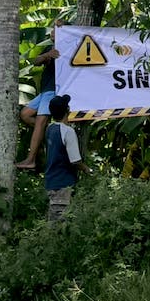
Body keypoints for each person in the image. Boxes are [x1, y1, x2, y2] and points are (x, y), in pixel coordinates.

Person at [16, 18, 65, 170]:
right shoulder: (50, 48)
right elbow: (36, 61)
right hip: (44, 90)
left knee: (39, 122)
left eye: (56, 29)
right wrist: (48, 55)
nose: (52, 32)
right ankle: (49, 133)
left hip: (53, 90)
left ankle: (31, 160)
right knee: (25, 114)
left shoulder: (68, 48)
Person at [43, 94, 90, 222]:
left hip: (51, 181)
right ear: (67, 110)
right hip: (63, 183)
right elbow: (75, 160)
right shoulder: (68, 131)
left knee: (56, 218)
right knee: (59, 222)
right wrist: (87, 169)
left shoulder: (49, 129)